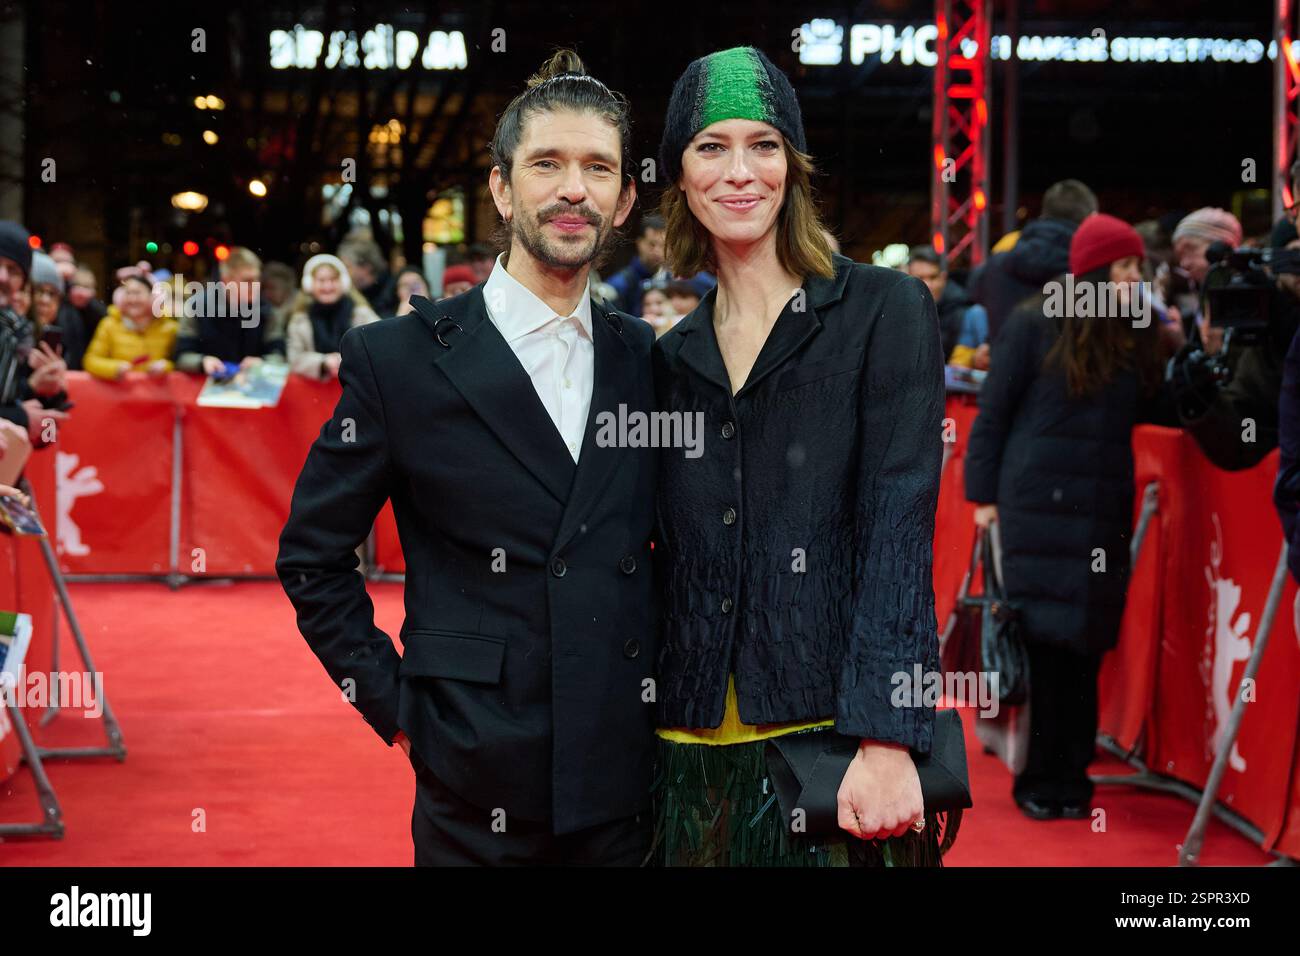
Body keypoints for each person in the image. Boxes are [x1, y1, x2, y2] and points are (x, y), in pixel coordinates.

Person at [277, 48, 657, 867]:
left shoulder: (649, 359)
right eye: (546, 163)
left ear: (624, 199)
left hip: (627, 776)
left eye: (598, 168)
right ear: (499, 187)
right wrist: (399, 706)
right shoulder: (400, 360)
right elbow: (312, 555)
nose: (572, 189)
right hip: (474, 775)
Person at [651, 46, 946, 867]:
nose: (739, 172)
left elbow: (899, 528)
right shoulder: (667, 357)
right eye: (711, 147)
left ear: (794, 164)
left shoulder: (883, 311)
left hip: (832, 745)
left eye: (764, 144)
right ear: (678, 173)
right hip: (687, 747)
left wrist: (886, 739)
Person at [964, 213, 1176, 821]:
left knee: (1088, 643)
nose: (1135, 277)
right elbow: (994, 413)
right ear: (1095, 270)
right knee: (1049, 645)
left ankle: (1072, 777)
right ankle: (1040, 778)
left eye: (1138, 267)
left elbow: (1157, 404)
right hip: (1037, 506)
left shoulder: (1136, 331)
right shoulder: (1034, 322)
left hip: (1101, 509)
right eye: (1127, 266)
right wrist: (983, 500)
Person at [968, 178, 1098, 341]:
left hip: (1006, 363)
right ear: (1091, 218)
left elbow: (973, 289)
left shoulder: (997, 263)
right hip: (1068, 366)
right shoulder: (1092, 271)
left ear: (1045, 214)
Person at [0, 221, 70, 448]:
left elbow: (42, 438)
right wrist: (22, 414)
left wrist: (53, 392)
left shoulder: (16, 331)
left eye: (13, 270)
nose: (3, 277)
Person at [175, 246, 286, 375]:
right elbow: (181, 357)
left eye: (257, 279)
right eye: (247, 281)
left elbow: (279, 355)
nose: (255, 285)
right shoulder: (197, 306)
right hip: (207, 387)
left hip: (252, 387)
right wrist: (202, 362)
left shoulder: (266, 310)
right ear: (226, 281)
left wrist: (262, 362)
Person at [285, 254, 379, 380]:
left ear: (343, 282)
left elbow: (379, 347)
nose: (327, 286)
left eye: (333, 279)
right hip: (315, 392)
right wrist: (323, 362)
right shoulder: (299, 320)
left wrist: (350, 359)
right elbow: (294, 359)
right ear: (309, 284)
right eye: (321, 280)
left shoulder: (362, 314)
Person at [83, 271, 178, 381]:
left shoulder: (169, 328)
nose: (132, 299)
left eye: (137, 293)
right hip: (119, 394)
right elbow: (90, 360)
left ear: (153, 297)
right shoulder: (109, 324)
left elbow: (180, 361)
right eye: (128, 293)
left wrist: (166, 366)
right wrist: (114, 368)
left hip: (158, 395)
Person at [907, 245, 989, 368]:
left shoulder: (967, 313)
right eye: (920, 278)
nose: (927, 284)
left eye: (933, 277)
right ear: (908, 280)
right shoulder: (901, 312)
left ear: (943, 278)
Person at [606, 214, 667, 316]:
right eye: (652, 244)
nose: (658, 251)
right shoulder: (620, 285)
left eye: (663, 245)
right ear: (639, 243)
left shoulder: (673, 280)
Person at [338, 238, 398, 318]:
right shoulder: (349, 294)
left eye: (347, 266)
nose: (343, 272)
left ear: (366, 267)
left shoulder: (393, 292)